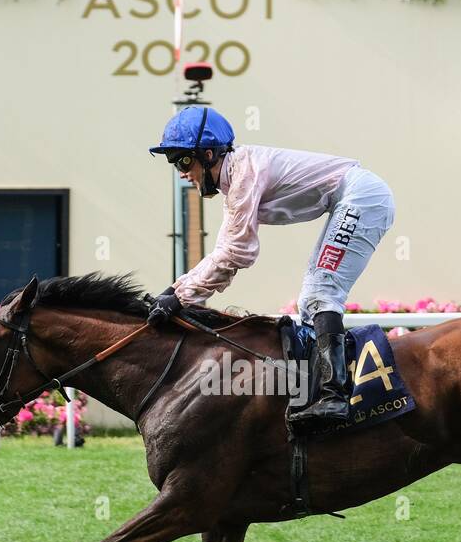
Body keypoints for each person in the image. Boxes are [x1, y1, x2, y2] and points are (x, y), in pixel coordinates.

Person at [146, 105, 395, 427]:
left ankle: (335, 398)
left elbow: (238, 252)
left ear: (208, 155)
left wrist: (179, 298)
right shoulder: (238, 178)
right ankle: (320, 393)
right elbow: (227, 249)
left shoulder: (244, 174)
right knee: (311, 300)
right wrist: (176, 291)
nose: (180, 172)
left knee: (321, 292)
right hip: (355, 197)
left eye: (182, 160)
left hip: (363, 197)